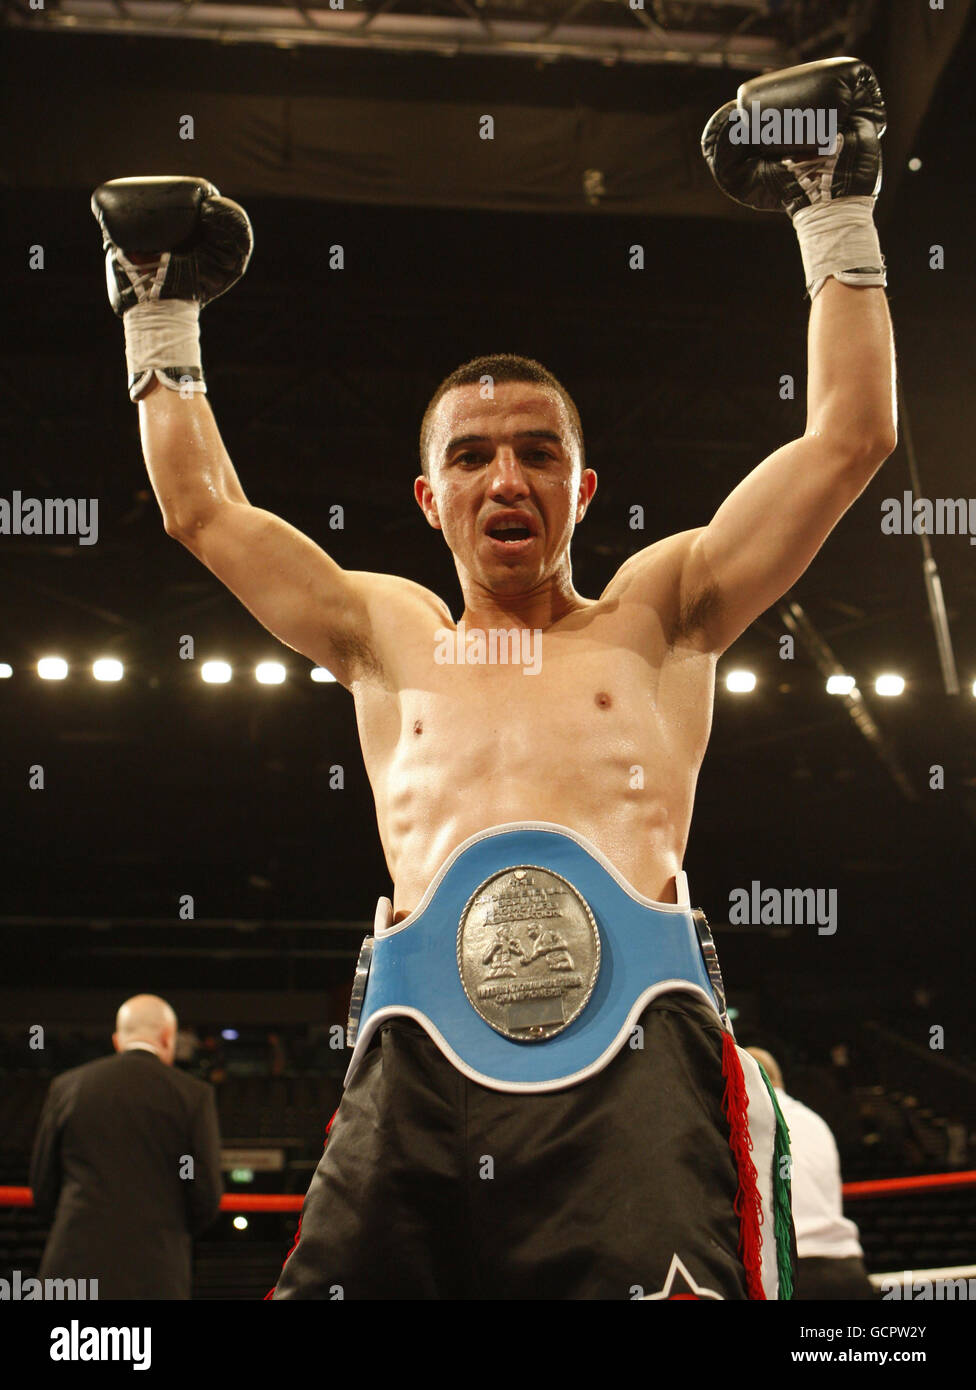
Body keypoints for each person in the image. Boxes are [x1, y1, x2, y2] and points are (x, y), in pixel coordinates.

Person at [90, 56, 896, 1299]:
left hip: (639, 1063)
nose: (503, 479)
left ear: (583, 490)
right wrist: (160, 309)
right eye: (470, 457)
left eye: (536, 452)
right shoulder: (382, 631)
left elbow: (849, 435)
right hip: (416, 1063)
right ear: (428, 497)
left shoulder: (664, 611)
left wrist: (832, 205)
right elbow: (201, 508)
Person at [29, 995, 224, 1299]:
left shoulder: (67, 1086)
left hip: (72, 1267)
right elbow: (206, 1196)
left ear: (118, 1040)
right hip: (155, 1271)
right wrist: (168, 1230)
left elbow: (43, 1185)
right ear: (166, 1037)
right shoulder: (193, 1095)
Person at [746, 1048, 876, 1300]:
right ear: (779, 1080)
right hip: (849, 1270)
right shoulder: (814, 1120)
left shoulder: (748, 1121)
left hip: (793, 1270)